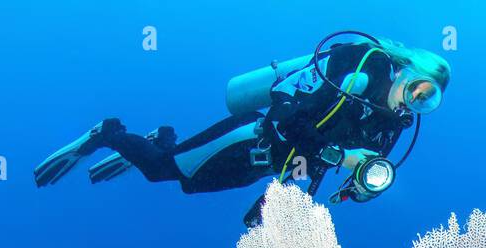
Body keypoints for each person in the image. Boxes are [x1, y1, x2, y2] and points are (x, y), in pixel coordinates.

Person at [34, 32, 449, 225]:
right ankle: (106, 133)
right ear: (406, 69)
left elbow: (369, 171)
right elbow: (288, 110)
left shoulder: (393, 122)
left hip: (275, 170)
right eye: (419, 87)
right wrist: (341, 156)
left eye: (427, 100)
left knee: (187, 184)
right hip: (251, 136)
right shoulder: (358, 66)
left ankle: (160, 139)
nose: (415, 100)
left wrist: (358, 188)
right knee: (162, 171)